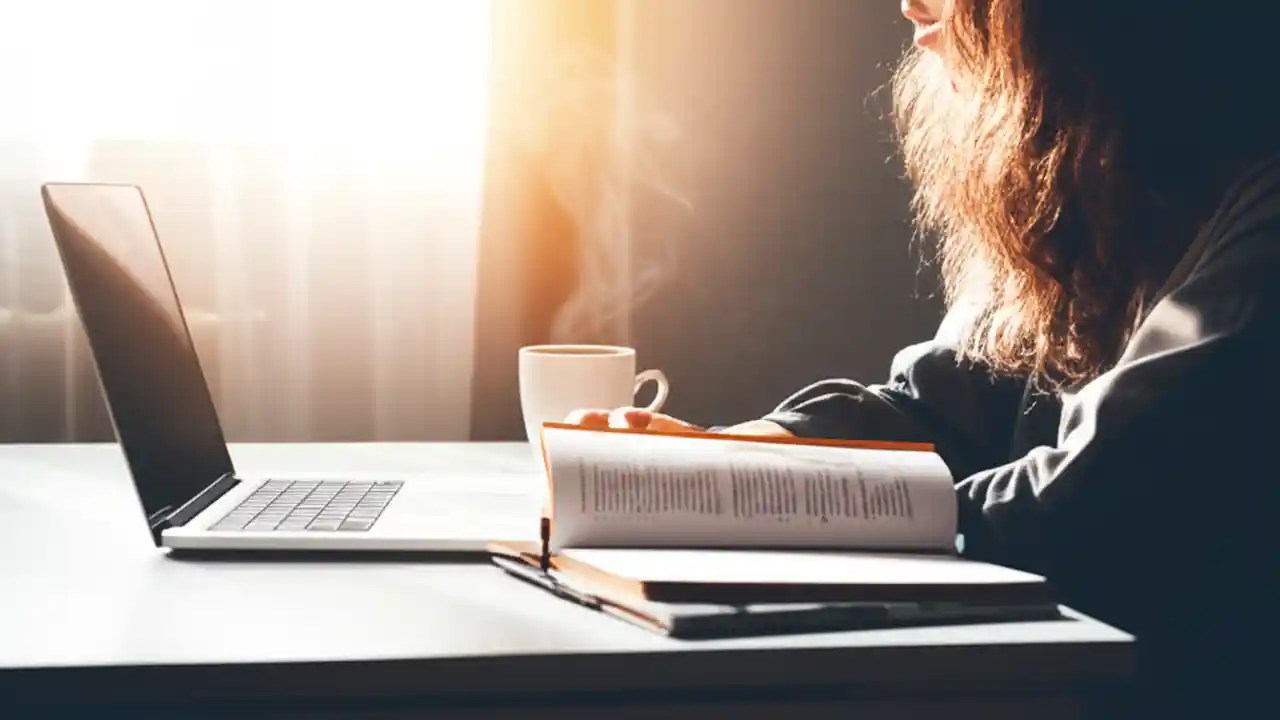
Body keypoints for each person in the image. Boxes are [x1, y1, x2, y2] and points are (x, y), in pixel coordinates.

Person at [569, 0, 1280, 713]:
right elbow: (950, 401)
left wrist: (793, 509)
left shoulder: (1260, 198)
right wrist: (743, 457)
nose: (910, 5)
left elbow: (1095, 503)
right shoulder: (1089, 171)